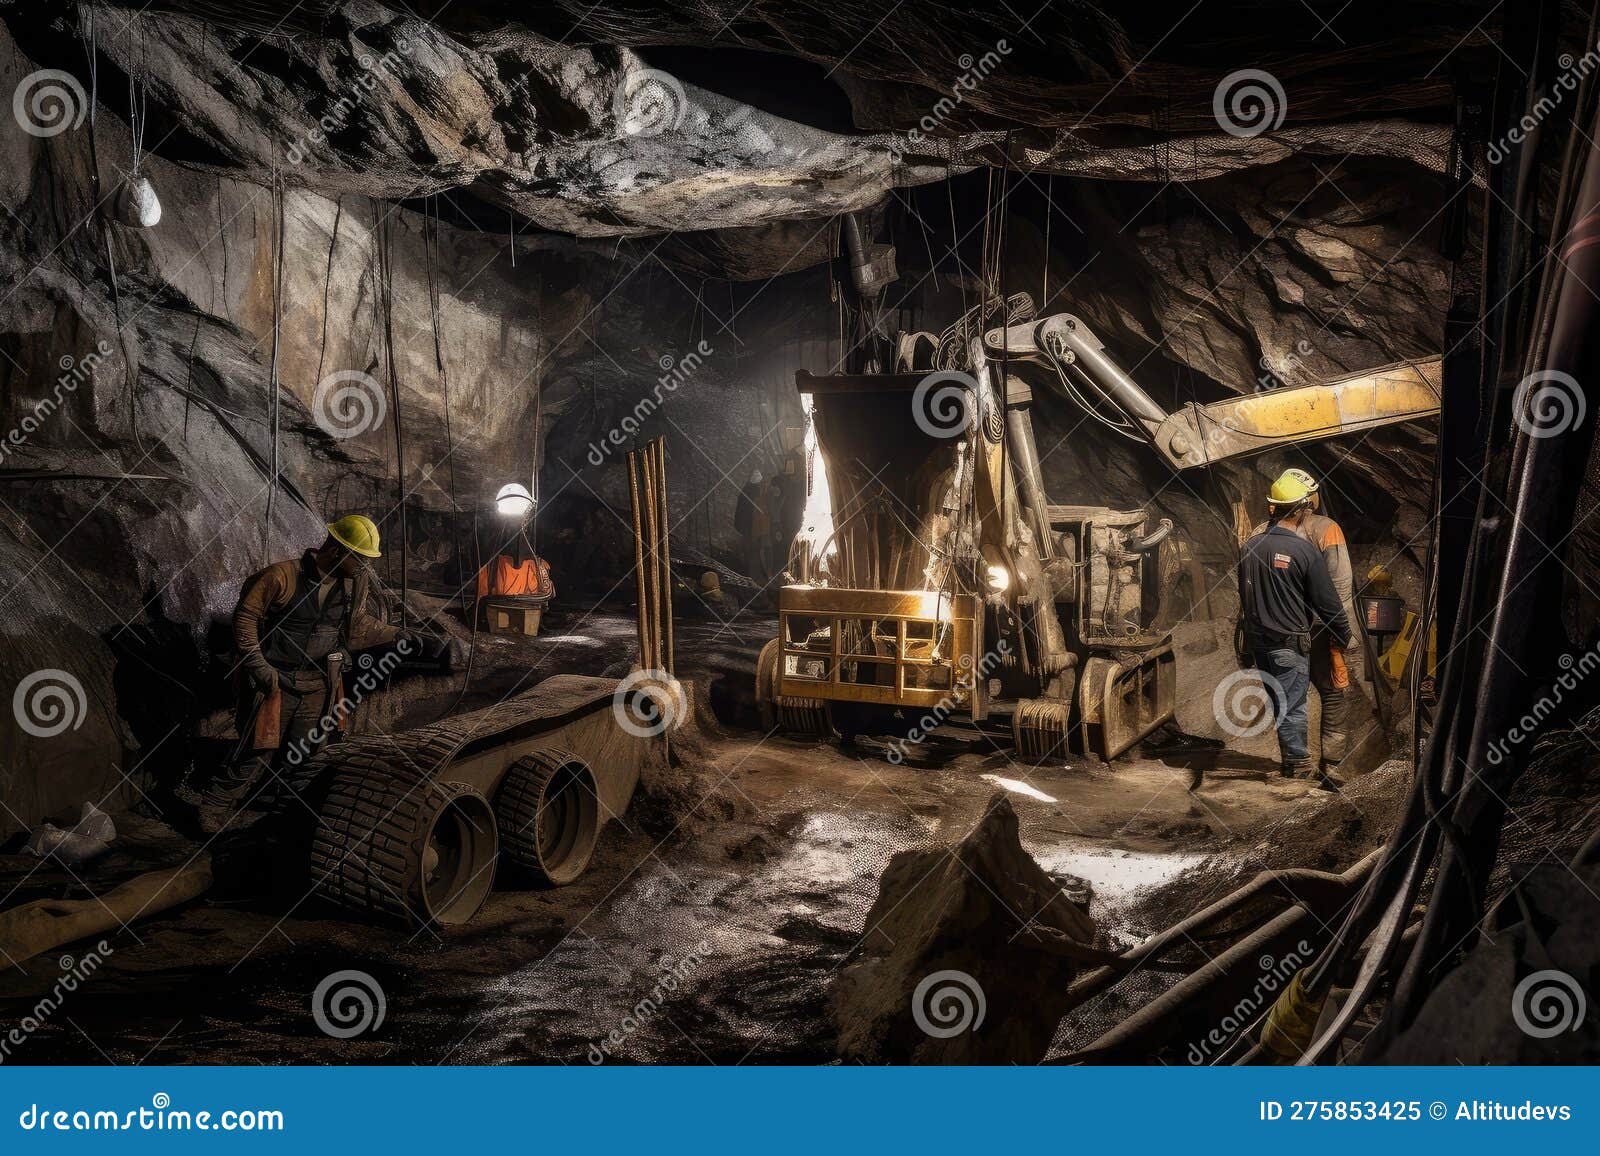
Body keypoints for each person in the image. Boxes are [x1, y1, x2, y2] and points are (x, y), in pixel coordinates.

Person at [200, 515, 414, 832]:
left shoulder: (353, 585)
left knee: (305, 751)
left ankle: (281, 811)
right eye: (359, 558)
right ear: (337, 550)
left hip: (318, 683)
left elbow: (358, 627)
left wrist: (395, 634)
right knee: (256, 749)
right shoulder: (282, 576)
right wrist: (259, 668)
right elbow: (245, 618)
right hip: (276, 680)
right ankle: (213, 809)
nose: (364, 566)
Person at [1237, 472, 1353, 789]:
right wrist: (1342, 636)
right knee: (1333, 695)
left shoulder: (1256, 536)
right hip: (1313, 631)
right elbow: (1339, 589)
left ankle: (1300, 763)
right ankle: (1329, 766)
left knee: (1285, 698)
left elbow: (1246, 594)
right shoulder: (1327, 529)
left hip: (1275, 633)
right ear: (1307, 502)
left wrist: (1248, 638)